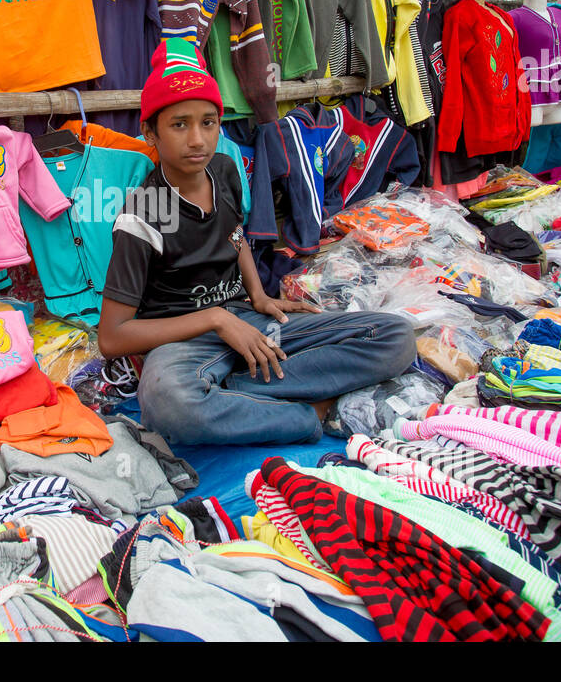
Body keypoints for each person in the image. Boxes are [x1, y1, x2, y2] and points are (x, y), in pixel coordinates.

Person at [97, 39, 417, 445]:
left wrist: (259, 296)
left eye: (208, 122)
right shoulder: (144, 211)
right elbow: (112, 337)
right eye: (179, 124)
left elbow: (235, 236)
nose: (197, 139)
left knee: (394, 338)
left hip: (250, 323)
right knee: (168, 401)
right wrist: (216, 319)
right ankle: (306, 416)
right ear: (150, 132)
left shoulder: (225, 169)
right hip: (182, 342)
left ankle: (238, 391)